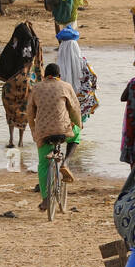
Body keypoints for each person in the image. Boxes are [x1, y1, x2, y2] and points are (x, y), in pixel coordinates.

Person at [27, 62, 82, 211]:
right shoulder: (66, 86)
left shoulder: (36, 88)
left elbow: (30, 113)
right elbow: (75, 109)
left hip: (43, 132)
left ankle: (45, 200)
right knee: (76, 135)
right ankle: (66, 162)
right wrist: (78, 124)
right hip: (62, 130)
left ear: (45, 76)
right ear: (59, 76)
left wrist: (33, 130)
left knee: (43, 165)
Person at [55, 25, 97, 179]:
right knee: (75, 133)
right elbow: (93, 81)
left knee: (58, 130)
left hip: (60, 105)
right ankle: (67, 162)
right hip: (78, 104)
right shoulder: (83, 63)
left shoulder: (56, 65)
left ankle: (56, 157)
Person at [0, 21, 42, 148]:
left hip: (11, 84)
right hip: (26, 85)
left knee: (10, 110)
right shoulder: (32, 45)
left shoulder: (13, 46)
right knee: (24, 112)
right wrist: (32, 29)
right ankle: (21, 141)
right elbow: (38, 42)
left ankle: (11, 140)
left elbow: (4, 62)